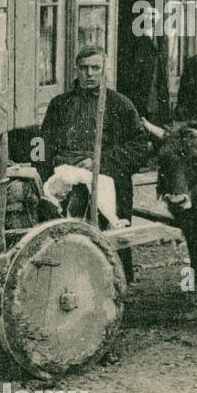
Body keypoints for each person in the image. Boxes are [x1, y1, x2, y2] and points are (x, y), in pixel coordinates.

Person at [40, 46, 150, 281]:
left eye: (95, 68)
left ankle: (114, 288)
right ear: (76, 70)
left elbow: (140, 146)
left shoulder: (120, 105)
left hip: (108, 179)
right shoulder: (60, 104)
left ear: (104, 70)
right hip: (65, 178)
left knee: (109, 247)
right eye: (84, 68)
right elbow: (43, 143)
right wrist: (41, 171)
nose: (89, 74)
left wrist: (100, 161)